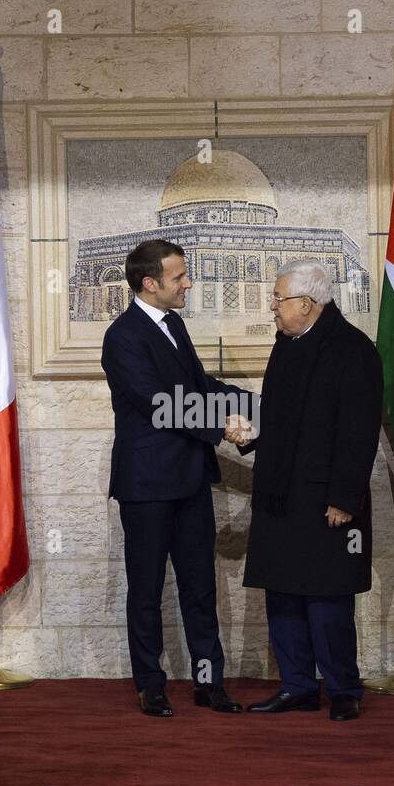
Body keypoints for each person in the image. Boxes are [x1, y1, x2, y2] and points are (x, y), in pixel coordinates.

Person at [100, 239, 253, 717]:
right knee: (146, 589)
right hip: (146, 486)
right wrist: (222, 429)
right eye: (180, 276)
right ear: (150, 283)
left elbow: (197, 386)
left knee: (200, 586)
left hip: (188, 480)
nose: (189, 283)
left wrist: (251, 404)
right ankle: (151, 685)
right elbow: (156, 403)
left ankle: (209, 683)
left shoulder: (175, 325)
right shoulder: (122, 337)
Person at [230, 260, 383, 723]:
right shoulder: (287, 344)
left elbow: (359, 432)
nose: (272, 307)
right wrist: (253, 434)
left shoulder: (353, 350)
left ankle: (341, 689)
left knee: (327, 597)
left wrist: (343, 497)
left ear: (307, 304)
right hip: (280, 494)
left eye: (278, 299)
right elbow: (286, 419)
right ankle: (296, 685)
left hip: (325, 501)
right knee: (283, 593)